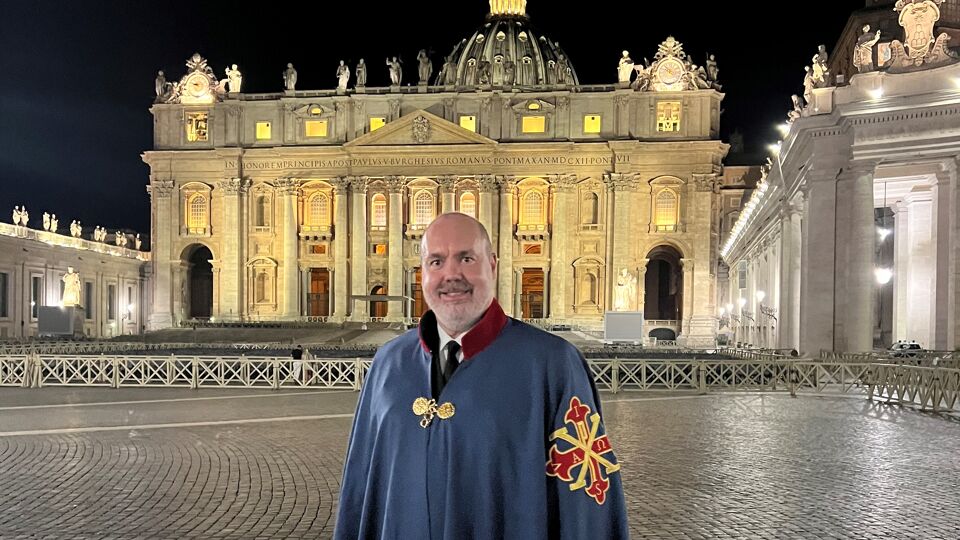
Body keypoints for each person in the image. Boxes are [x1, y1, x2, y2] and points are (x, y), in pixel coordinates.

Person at [335, 213, 628, 539]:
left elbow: (587, 500)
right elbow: (360, 490)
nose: (451, 275)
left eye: (466, 258)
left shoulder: (553, 365)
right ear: (422, 275)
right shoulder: (387, 364)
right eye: (436, 262)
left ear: (492, 265)